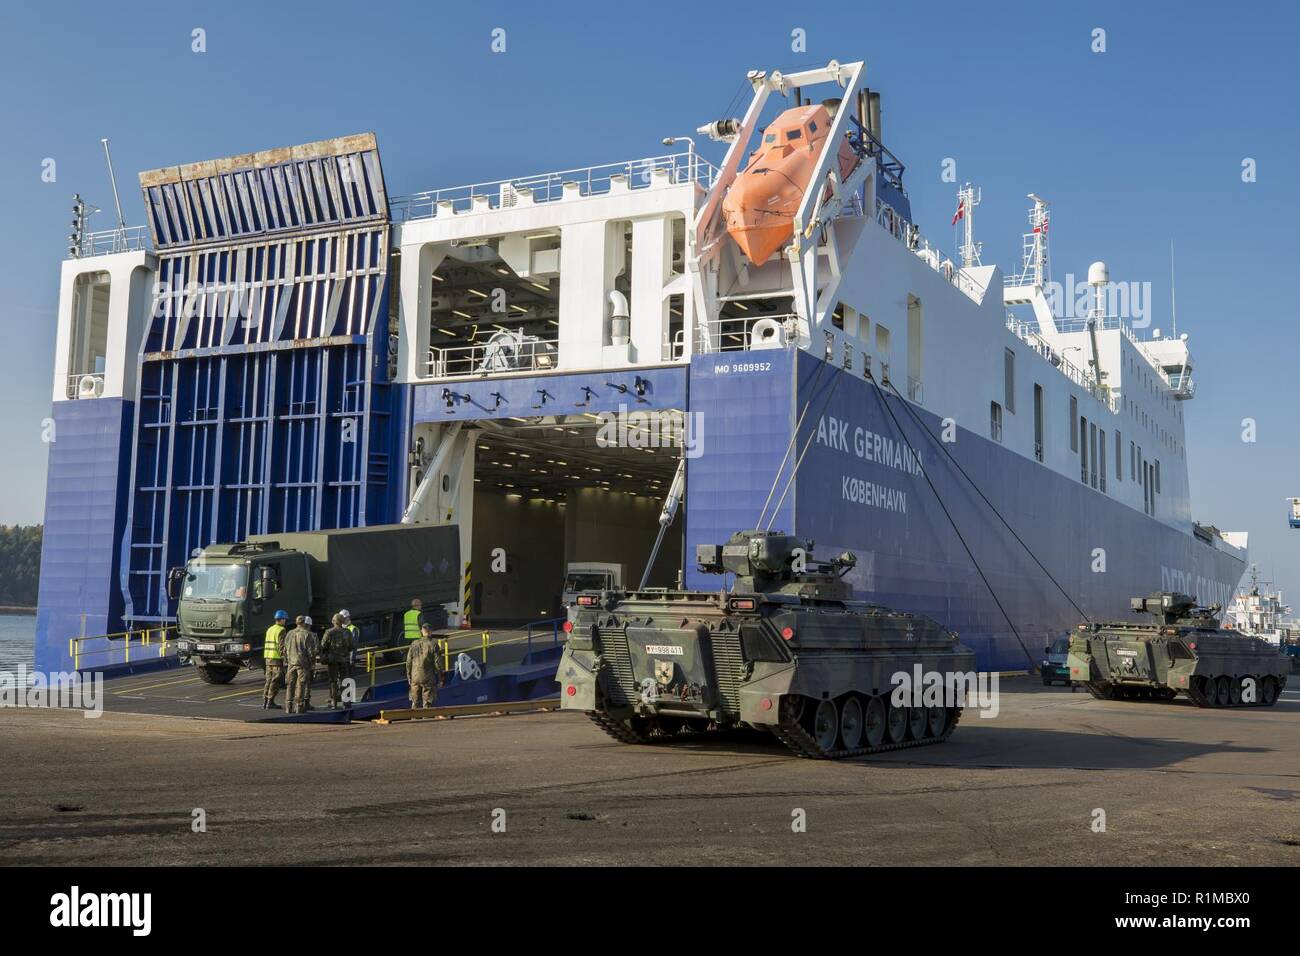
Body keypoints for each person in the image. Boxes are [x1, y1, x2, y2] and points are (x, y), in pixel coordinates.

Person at [283, 615, 318, 714]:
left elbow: (284, 649)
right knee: (301, 684)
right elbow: (311, 651)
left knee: (290, 684)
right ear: (304, 623)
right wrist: (312, 663)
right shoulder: (307, 634)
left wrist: (286, 660)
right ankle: (299, 706)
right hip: (303, 663)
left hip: (291, 662)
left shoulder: (289, 633)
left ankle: (288, 706)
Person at [320, 613, 355, 709]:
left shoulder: (329, 632)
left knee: (333, 681)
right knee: (345, 680)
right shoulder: (347, 632)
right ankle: (347, 703)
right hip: (344, 660)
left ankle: (334, 703)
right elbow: (352, 646)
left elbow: (323, 646)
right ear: (342, 622)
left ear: (333, 621)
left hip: (333, 660)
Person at [406, 623, 443, 709]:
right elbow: (438, 663)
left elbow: (408, 662)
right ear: (431, 632)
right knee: (427, 703)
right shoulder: (433, 645)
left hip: (414, 676)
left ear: (422, 632)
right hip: (428, 677)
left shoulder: (414, 644)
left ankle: (414, 720)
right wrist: (441, 677)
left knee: (415, 702)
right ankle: (426, 719)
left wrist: (409, 677)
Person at [261, 609, 289, 710]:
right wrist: (285, 659)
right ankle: (270, 701)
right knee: (276, 681)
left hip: (268, 658)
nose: (285, 621)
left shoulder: (270, 629)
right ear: (281, 619)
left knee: (268, 680)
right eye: (284, 619)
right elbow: (282, 646)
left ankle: (265, 701)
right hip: (276, 659)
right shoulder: (281, 630)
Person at [339, 609, 360, 677]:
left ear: (347, 618)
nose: (342, 620)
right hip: (342, 657)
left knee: (349, 676)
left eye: (343, 618)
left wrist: (351, 659)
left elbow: (353, 646)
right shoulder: (340, 628)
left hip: (348, 657)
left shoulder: (353, 629)